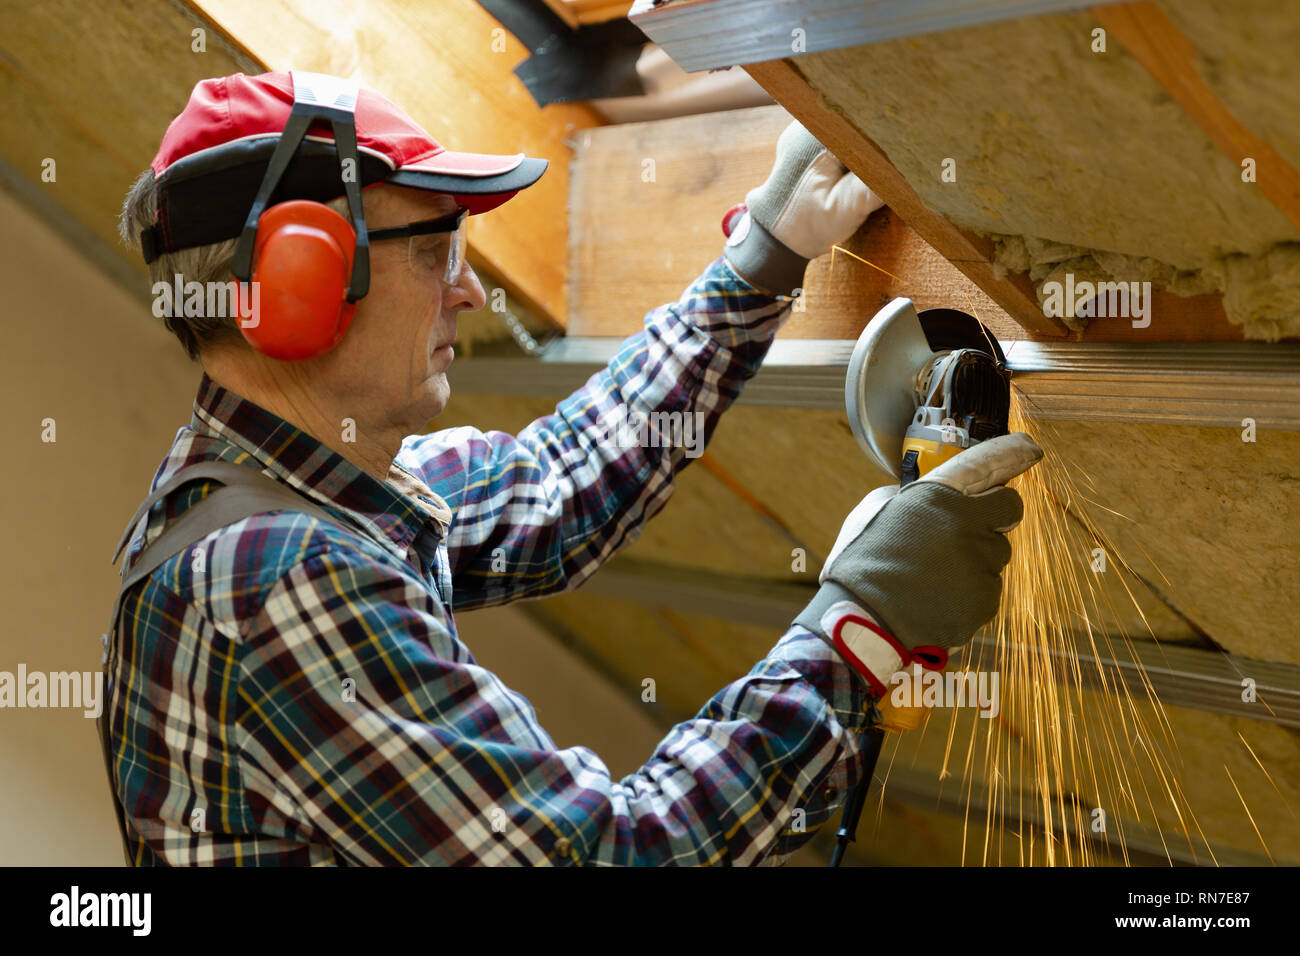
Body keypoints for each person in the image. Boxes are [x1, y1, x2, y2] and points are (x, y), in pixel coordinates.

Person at [104, 70, 1041, 865]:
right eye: (434, 249)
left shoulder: (301, 488)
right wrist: (861, 631)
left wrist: (758, 263)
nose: (470, 289)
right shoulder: (274, 576)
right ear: (296, 287)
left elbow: (556, 490)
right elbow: (616, 853)